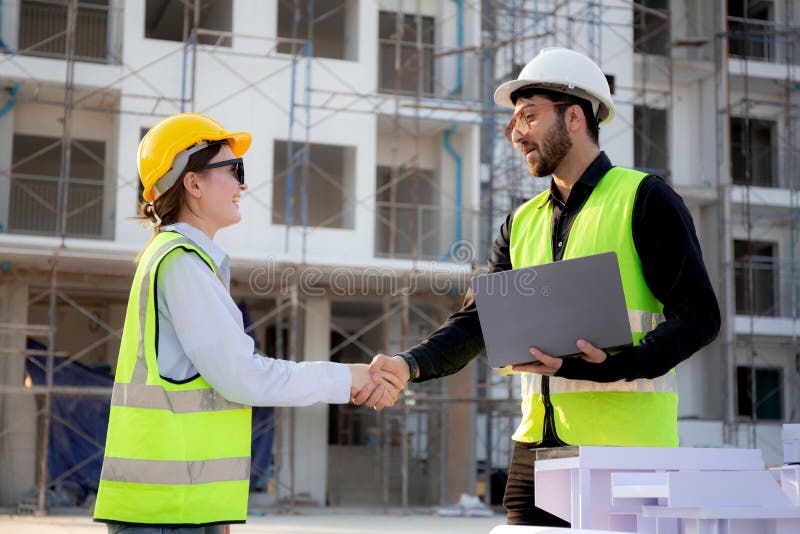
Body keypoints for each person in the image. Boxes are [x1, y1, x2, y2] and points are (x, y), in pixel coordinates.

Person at [353, 47, 721, 526]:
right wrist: (408, 365)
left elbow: (699, 316)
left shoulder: (645, 199)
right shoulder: (520, 222)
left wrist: (618, 365)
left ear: (574, 117)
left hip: (625, 450)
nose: (515, 132)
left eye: (528, 115)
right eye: (513, 120)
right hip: (536, 449)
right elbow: (477, 321)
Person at [93, 112, 397, 532]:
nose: (242, 184)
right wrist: (349, 377)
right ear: (193, 183)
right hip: (166, 516)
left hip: (182, 509)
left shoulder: (183, 261)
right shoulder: (181, 264)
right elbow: (242, 377)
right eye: (233, 169)